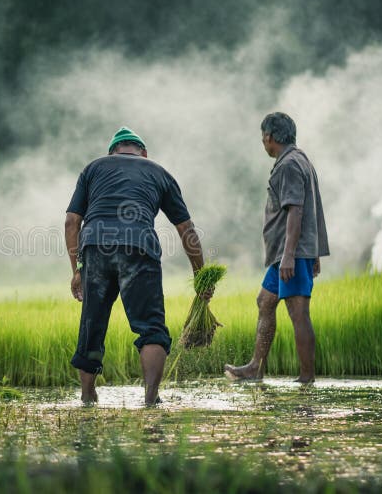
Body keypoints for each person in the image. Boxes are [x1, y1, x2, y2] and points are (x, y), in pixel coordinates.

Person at [65, 127, 211, 406]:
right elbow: (186, 228)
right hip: (139, 247)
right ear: (143, 153)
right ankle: (150, 399)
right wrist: (200, 274)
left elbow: (72, 222)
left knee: (91, 324)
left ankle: (87, 396)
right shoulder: (159, 172)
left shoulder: (93, 168)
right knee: (151, 328)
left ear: (112, 153)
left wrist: (77, 269)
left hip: (95, 247)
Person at [224, 112, 329, 384]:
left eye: (263, 137)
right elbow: (309, 208)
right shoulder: (299, 160)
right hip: (286, 254)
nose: (263, 142)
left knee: (298, 312)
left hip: (289, 254)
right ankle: (255, 368)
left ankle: (307, 378)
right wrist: (310, 251)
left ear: (269, 137)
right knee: (265, 302)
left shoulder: (289, 165)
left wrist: (291, 255)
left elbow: (296, 210)